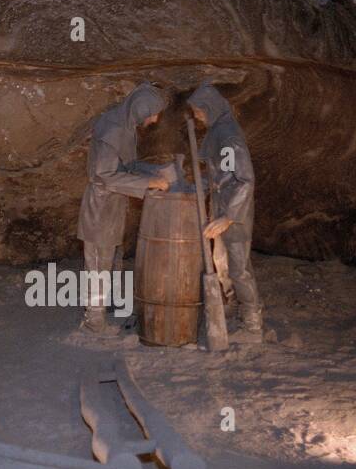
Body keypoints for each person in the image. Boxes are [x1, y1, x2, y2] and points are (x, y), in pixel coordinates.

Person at [76, 82, 176, 334]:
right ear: (141, 108)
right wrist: (149, 182)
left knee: (112, 259)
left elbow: (126, 168)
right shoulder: (112, 129)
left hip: (113, 205)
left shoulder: (125, 125)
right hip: (101, 206)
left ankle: (106, 306)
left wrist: (156, 171)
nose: (154, 120)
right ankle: (94, 321)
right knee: (99, 263)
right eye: (153, 113)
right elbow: (105, 175)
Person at [187, 82, 263, 342]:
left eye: (198, 111)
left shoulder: (228, 136)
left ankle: (253, 325)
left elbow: (244, 179)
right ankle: (233, 306)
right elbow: (222, 176)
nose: (196, 116)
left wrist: (228, 217)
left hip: (235, 214)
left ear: (210, 108)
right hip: (222, 210)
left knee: (239, 268)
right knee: (222, 262)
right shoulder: (218, 131)